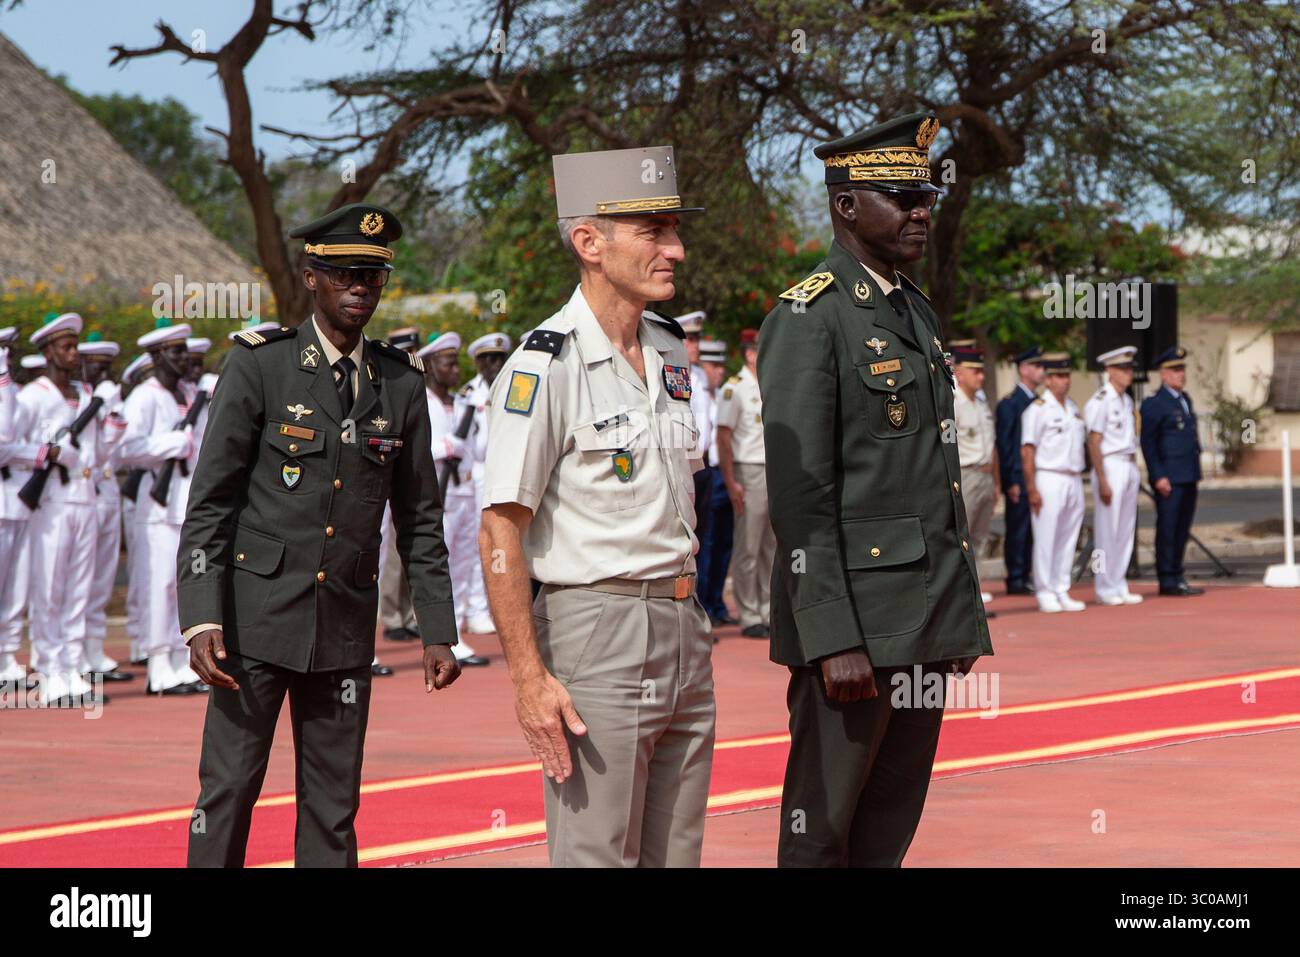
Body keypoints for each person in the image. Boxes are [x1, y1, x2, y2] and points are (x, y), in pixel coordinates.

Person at [179, 203, 461, 868]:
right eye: (345, 275)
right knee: (227, 792)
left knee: (333, 809)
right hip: (253, 625)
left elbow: (421, 519)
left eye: (373, 275)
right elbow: (211, 503)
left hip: (342, 628)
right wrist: (199, 617)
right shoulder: (262, 365)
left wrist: (437, 628)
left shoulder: (400, 383)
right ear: (312, 277)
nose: (361, 287)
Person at [760, 111, 991, 867]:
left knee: (886, 832)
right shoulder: (810, 316)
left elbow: (932, 479)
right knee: (820, 832)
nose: (922, 211)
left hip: (920, 625)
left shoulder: (913, 310)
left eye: (927, 198)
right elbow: (801, 497)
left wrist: (954, 621)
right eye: (902, 197)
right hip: (854, 632)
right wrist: (832, 638)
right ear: (847, 205)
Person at [479, 145, 714, 867]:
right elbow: (500, 527)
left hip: (682, 619)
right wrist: (527, 676)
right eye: (653, 230)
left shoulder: (672, 351)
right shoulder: (543, 365)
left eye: (674, 229)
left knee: (675, 853)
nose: (674, 249)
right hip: (596, 628)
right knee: (596, 854)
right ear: (589, 242)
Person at [11, 313, 124, 704]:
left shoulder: (86, 396)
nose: (74, 354)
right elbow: (10, 447)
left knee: (79, 587)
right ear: (47, 352)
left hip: (86, 500)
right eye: (66, 347)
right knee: (49, 588)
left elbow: (103, 453)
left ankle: (72, 664)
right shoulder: (32, 397)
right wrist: (48, 453)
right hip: (51, 503)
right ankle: (49, 667)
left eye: (75, 346)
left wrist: (113, 423)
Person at [117, 321, 212, 695]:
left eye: (183, 350)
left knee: (183, 584)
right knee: (160, 583)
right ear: (156, 356)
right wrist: (169, 445)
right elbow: (127, 449)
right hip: (159, 503)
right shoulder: (144, 396)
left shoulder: (190, 393)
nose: (183, 358)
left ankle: (178, 657)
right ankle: (158, 665)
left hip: (188, 502)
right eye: (175, 352)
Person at [415, 331, 488, 666]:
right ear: (430, 365)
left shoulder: (463, 405)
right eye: (448, 363)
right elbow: (411, 454)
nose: (455, 369)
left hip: (464, 491)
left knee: (462, 562)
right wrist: (440, 449)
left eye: (456, 362)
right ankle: (438, 633)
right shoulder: (419, 404)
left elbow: (474, 451)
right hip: (435, 495)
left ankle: (456, 631)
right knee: (439, 565)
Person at [77, 333, 134, 682]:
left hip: (105, 492)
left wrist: (110, 411)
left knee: (100, 578)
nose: (103, 373)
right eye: (96, 366)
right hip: (76, 493)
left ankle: (93, 650)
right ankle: (71, 654)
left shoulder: (105, 398)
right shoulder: (78, 400)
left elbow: (111, 447)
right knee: (71, 581)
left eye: (107, 367)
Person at [715, 328, 775, 638]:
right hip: (748, 470)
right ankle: (749, 614)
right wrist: (730, 480)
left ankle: (767, 609)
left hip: (772, 470)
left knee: (770, 546)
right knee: (748, 547)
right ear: (750, 353)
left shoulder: (770, 384)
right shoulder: (734, 388)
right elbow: (723, 437)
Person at [1021, 353, 1087, 613]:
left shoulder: (1072, 407)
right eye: (1059, 376)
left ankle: (1062, 587)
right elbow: (1027, 451)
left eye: (1067, 375)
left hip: (1073, 477)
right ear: (1048, 380)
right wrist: (1031, 487)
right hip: (1049, 475)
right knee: (1046, 537)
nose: (1065, 381)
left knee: (1068, 537)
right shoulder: (1037, 410)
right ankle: (1045, 590)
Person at [456, 332, 511, 634]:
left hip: (505, 470)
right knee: (477, 542)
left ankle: (483, 608)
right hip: (477, 472)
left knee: (500, 542)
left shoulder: (513, 386)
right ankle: (472, 608)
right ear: (478, 362)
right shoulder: (468, 394)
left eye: (499, 359)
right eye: (488, 359)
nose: (494, 365)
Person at [1140, 346, 1204, 596]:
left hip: (1188, 473)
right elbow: (1149, 443)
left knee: (1182, 527)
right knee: (1168, 527)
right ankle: (1167, 577)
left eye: (1182, 369)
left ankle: (1177, 573)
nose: (1181, 374)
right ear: (1163, 374)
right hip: (1169, 476)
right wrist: (1158, 475)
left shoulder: (1184, 399)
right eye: (1175, 370)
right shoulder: (1155, 404)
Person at [1086, 346, 1144, 605]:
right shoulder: (1101, 400)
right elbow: (1094, 441)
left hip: (1128, 462)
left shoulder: (1127, 400)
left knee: (1124, 528)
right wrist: (1102, 478)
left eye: (1130, 367)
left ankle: (1118, 581)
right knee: (1107, 528)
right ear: (1110, 371)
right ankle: (1103, 585)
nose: (1128, 372)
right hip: (1110, 464)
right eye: (1123, 368)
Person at [376, 325, 422, 649]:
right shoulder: (385, 385)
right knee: (391, 553)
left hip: (416, 476)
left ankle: (409, 615)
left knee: (414, 547)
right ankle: (391, 615)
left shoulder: (414, 384)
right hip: (385, 476)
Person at [952, 342, 998, 607]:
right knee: (963, 536)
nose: (981, 376)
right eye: (974, 371)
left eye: (981, 371)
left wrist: (996, 482)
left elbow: (992, 445)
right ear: (959, 372)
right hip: (966, 474)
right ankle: (962, 592)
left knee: (980, 537)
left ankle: (975, 587)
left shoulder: (980, 401)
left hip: (985, 474)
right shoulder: (953, 400)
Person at [996, 346, 1044, 595]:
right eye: (1036, 366)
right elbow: (1006, 446)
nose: (1042, 371)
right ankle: (1015, 577)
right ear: (1023, 369)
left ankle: (1027, 573)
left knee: (1034, 529)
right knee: (1018, 529)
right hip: (1019, 476)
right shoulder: (1011, 403)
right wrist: (1011, 480)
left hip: (1038, 475)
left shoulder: (1039, 402)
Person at [694, 338, 735, 628]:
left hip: (721, 472)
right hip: (701, 469)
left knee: (723, 541)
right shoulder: (693, 387)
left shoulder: (722, 395)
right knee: (704, 542)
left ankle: (717, 602)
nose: (718, 371)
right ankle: (704, 605)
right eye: (713, 365)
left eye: (721, 365)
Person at [0, 324, 27, 684]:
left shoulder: (13, 393)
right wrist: (39, 454)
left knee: (14, 588)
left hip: (13, 501)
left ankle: (6, 655)